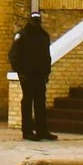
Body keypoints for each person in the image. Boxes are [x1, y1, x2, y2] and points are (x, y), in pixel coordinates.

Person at [9, 9, 56, 141]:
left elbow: (47, 56)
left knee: (40, 103)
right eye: (34, 21)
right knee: (28, 101)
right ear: (30, 21)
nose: (36, 23)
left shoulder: (44, 36)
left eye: (38, 21)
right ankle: (27, 131)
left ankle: (42, 130)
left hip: (40, 75)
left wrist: (47, 72)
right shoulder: (22, 35)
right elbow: (13, 55)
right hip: (27, 75)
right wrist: (19, 72)